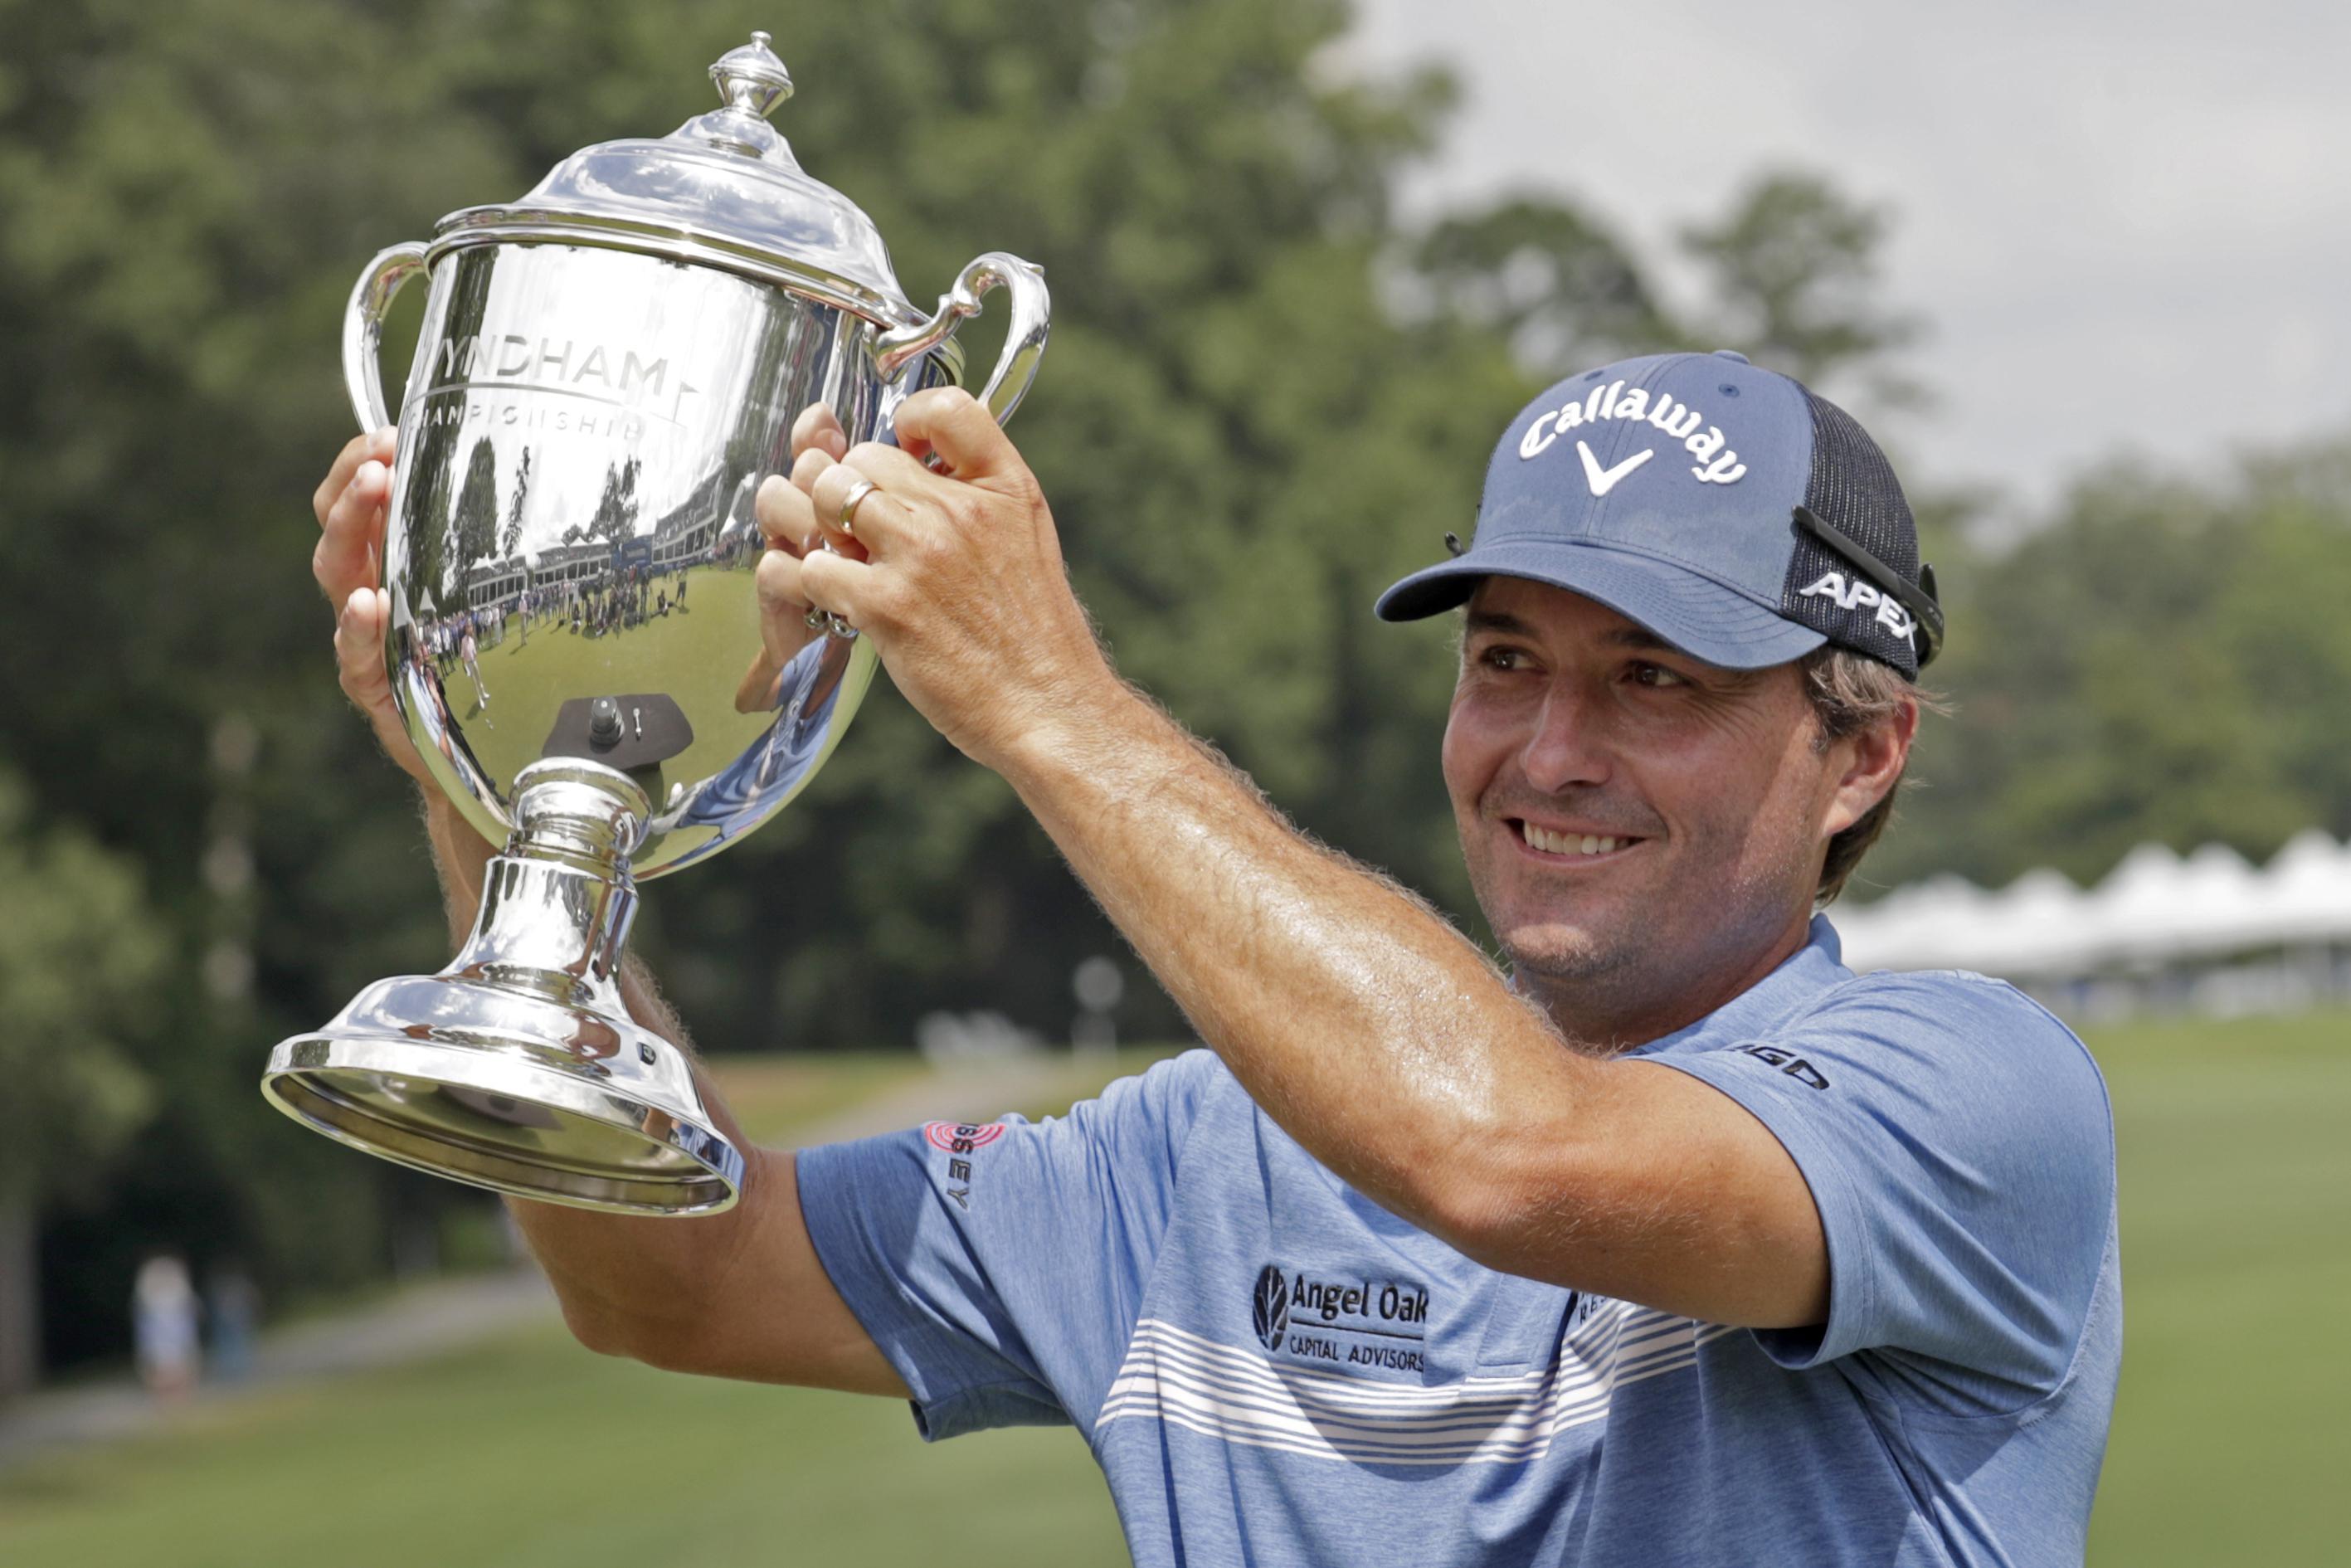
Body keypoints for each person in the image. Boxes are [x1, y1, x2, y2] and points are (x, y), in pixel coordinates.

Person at [311, 352, 2117, 1566]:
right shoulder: (1195, 1157)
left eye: (1658, 680)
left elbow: (1507, 1157)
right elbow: (678, 1286)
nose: (1552, 748)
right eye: (1505, 661)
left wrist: (1043, 698)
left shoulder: (1971, 1094)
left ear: (1860, 754)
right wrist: (504, 766)